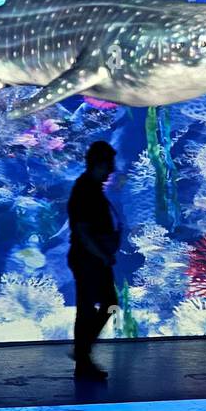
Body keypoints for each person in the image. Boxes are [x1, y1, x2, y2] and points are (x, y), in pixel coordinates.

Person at [66, 140, 122, 381]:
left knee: (105, 305)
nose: (112, 169)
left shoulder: (93, 188)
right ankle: (82, 355)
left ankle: (82, 354)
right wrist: (102, 255)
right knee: (90, 308)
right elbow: (82, 231)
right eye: (109, 164)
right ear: (99, 163)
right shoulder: (84, 190)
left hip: (96, 259)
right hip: (88, 259)